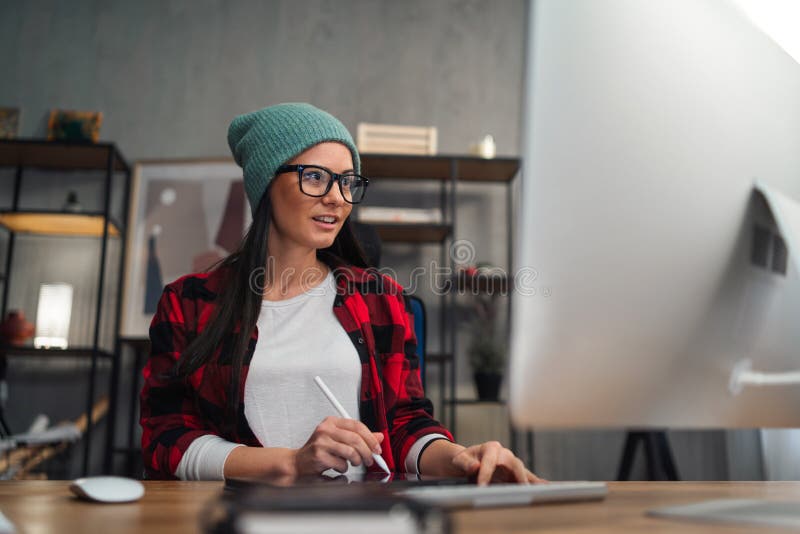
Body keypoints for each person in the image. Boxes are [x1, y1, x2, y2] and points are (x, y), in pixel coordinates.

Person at [140, 103, 540, 485]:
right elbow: (165, 439)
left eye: (348, 182)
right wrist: (291, 463)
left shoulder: (380, 299)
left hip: (361, 515)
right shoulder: (187, 304)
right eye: (315, 176)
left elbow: (405, 425)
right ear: (265, 184)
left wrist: (458, 458)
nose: (336, 197)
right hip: (240, 516)